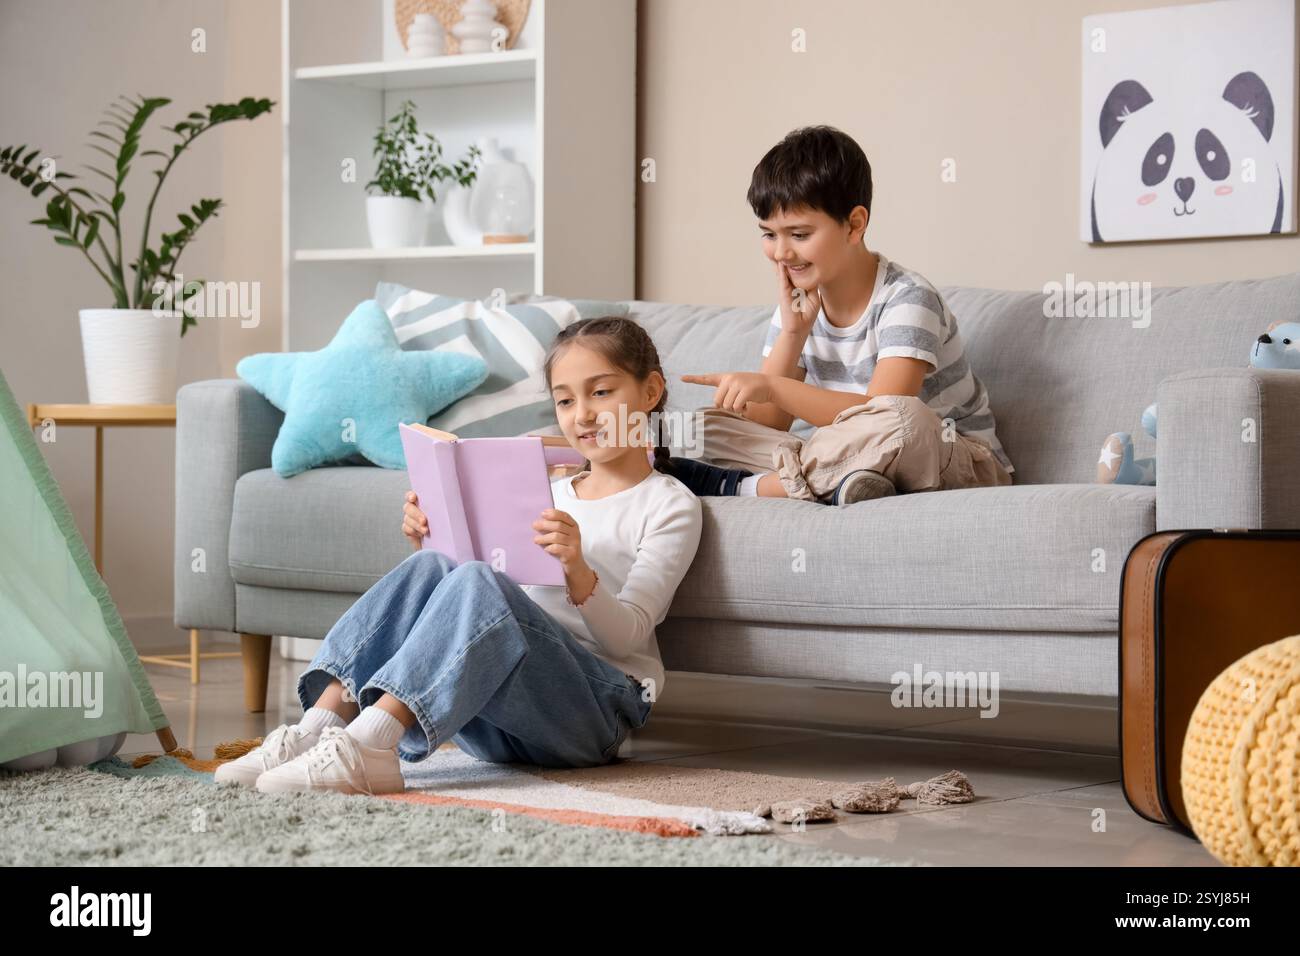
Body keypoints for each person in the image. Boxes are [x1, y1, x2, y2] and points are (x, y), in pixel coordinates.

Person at [215, 316, 703, 795]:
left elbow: (630, 636)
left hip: (595, 714)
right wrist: (431, 538)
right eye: (565, 400)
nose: (583, 415)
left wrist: (578, 570)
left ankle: (371, 745)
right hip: (497, 719)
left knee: (477, 581)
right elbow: (477, 600)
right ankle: (316, 728)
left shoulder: (669, 504)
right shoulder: (550, 489)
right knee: (435, 566)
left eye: (601, 392)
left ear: (651, 391)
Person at [670, 124, 1014, 505]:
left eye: (799, 235)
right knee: (706, 428)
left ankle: (750, 486)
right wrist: (792, 335)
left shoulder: (908, 299)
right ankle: (846, 481)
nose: (782, 253)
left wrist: (773, 387)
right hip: (858, 452)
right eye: (769, 235)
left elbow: (880, 413)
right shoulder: (798, 305)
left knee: (901, 419)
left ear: (854, 225)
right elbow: (768, 422)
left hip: (954, 458)